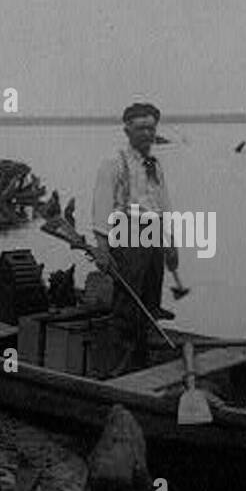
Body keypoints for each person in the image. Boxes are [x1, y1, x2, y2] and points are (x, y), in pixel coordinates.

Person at [90, 102, 181, 376]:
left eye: (151, 128)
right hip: (127, 237)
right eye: (140, 127)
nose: (147, 133)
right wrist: (102, 249)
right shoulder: (114, 164)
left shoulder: (156, 165)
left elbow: (163, 206)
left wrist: (170, 245)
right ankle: (118, 371)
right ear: (127, 129)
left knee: (150, 305)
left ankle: (142, 366)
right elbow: (101, 207)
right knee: (128, 308)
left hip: (153, 237)